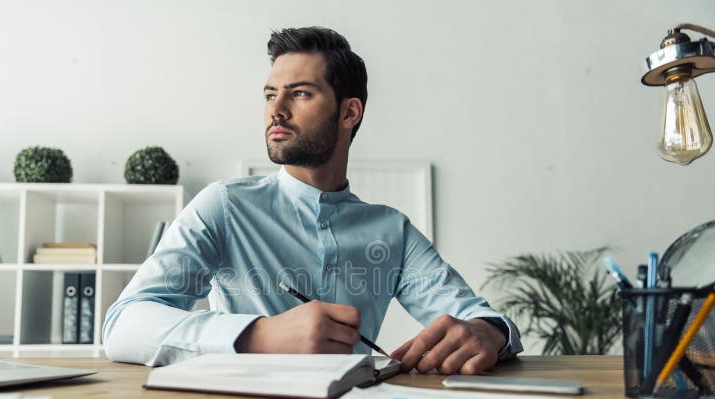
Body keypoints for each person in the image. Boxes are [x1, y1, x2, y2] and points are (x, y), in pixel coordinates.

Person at [103, 26, 522, 373]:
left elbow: (478, 316)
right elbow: (124, 324)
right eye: (270, 95)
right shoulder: (223, 206)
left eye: (299, 93)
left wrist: (489, 332)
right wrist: (257, 334)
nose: (276, 111)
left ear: (349, 113)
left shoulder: (391, 230)